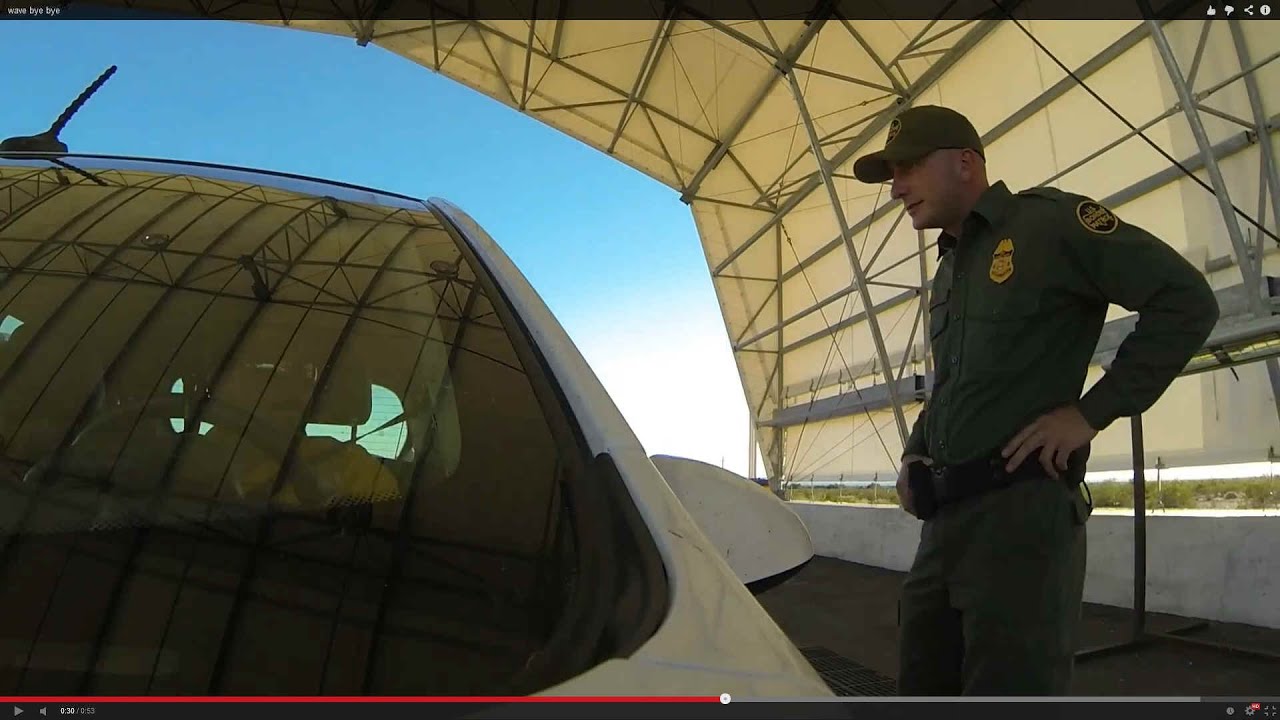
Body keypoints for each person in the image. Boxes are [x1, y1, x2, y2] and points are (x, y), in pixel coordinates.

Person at [851, 105, 1220, 696]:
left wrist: (1090, 414)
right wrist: (916, 453)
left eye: (908, 168)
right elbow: (954, 383)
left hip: (1019, 522)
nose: (895, 188)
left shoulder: (1050, 225)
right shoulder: (949, 271)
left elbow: (1187, 302)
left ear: (964, 163)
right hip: (943, 525)